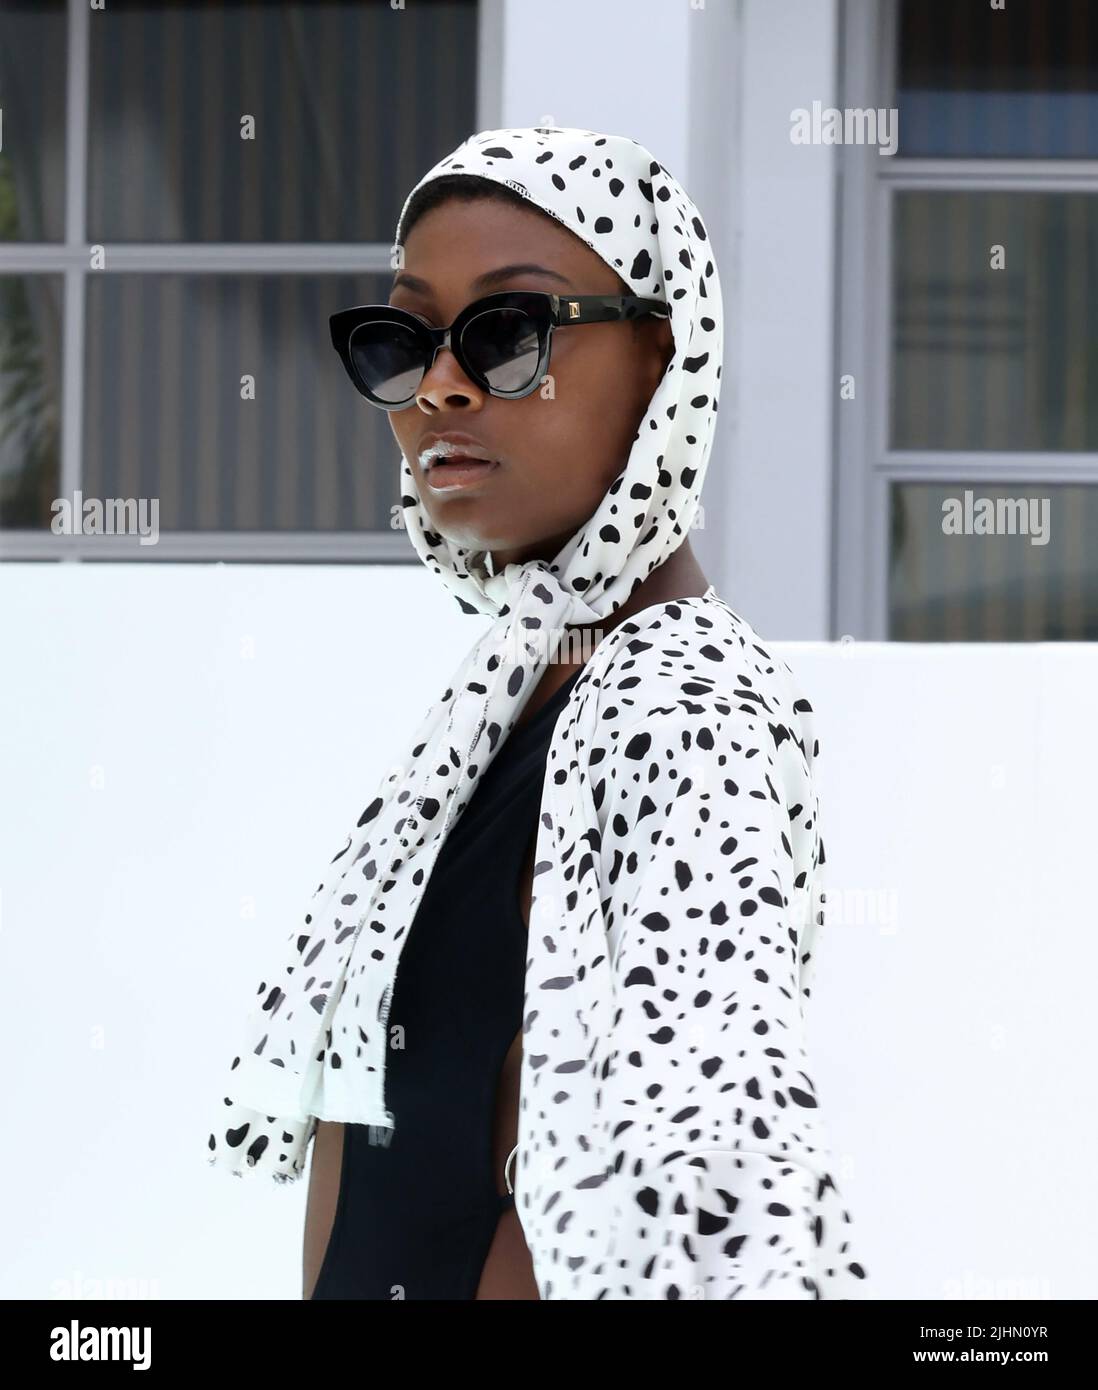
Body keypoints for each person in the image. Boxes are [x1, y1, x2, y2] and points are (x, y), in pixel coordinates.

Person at [207, 126, 870, 1302]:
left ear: (663, 359)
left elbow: (729, 1189)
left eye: (508, 333)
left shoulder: (683, 712)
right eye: (403, 339)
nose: (443, 385)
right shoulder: (515, 697)